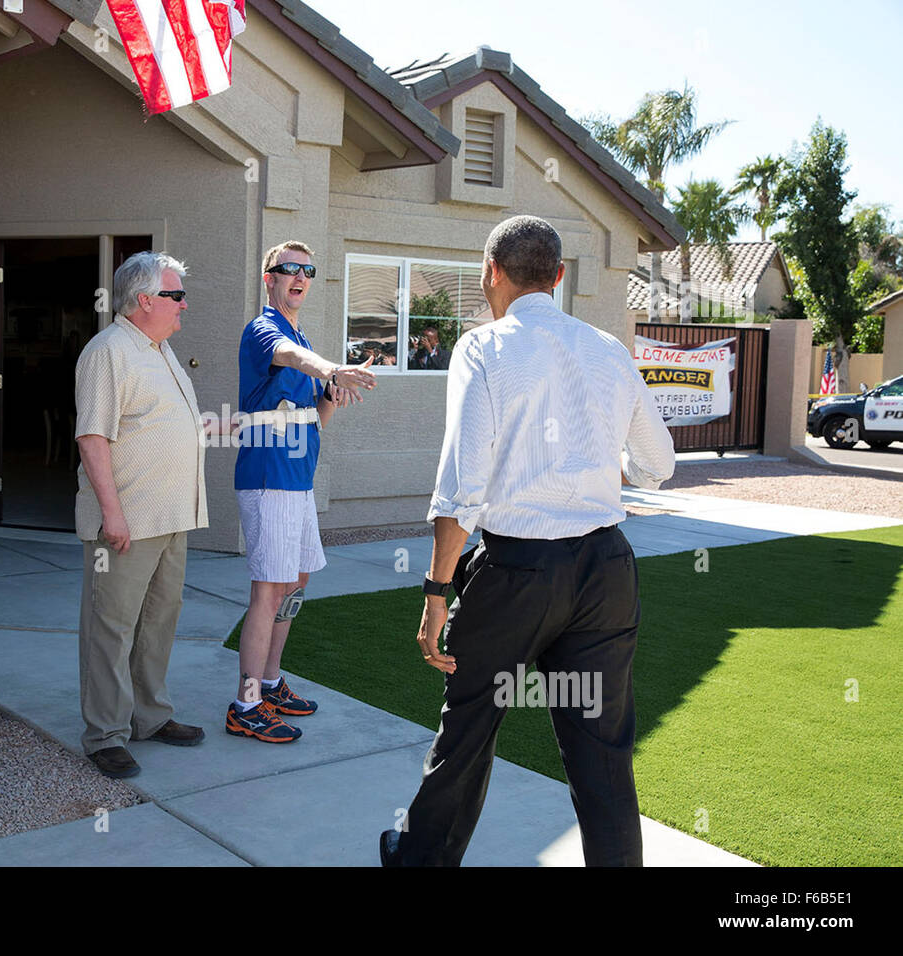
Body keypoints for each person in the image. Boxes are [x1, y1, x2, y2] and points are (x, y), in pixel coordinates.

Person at [380, 215, 676, 866]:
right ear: (560, 277)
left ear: (491, 272)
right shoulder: (607, 348)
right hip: (605, 570)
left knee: (467, 734)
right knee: (603, 756)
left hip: (517, 572)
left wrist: (436, 593)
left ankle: (420, 859)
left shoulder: (483, 349)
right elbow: (658, 464)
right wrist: (592, 467)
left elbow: (462, 487)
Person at [226, 240, 377, 742]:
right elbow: (289, 356)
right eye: (288, 268)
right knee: (268, 590)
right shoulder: (265, 328)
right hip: (268, 480)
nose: (299, 276)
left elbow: (318, 418)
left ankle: (269, 684)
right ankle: (244, 704)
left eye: (307, 270)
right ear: (269, 277)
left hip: (297, 484)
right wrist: (330, 369)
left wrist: (333, 394)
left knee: (296, 583)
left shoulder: (301, 333)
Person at [73, 251, 208, 779]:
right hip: (127, 522)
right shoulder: (109, 352)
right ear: (145, 300)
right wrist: (113, 513)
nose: (184, 305)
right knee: (111, 627)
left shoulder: (161, 350)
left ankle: (149, 716)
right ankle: (104, 733)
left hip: (171, 517)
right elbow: (93, 436)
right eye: (176, 296)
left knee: (158, 621)